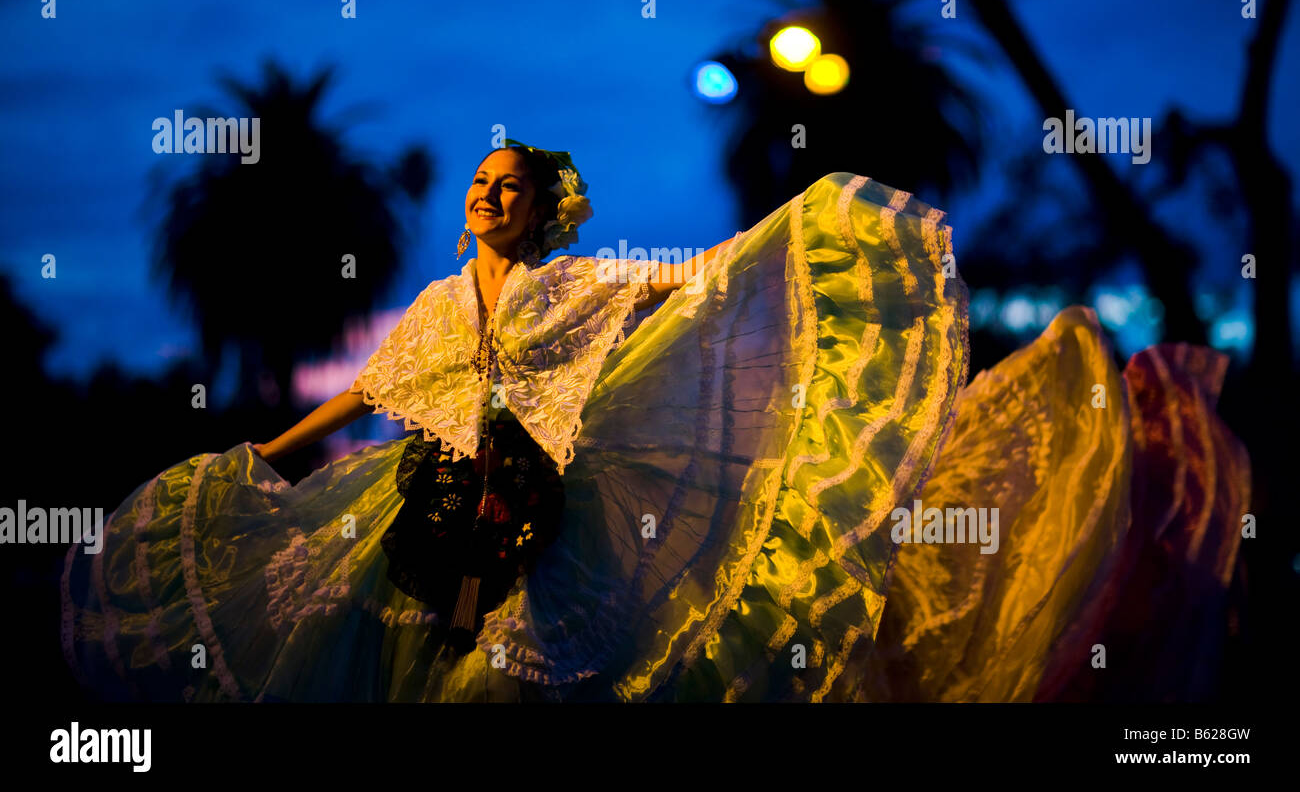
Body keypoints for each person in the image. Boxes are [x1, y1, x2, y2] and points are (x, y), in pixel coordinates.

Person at [59, 141, 1249, 703]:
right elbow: (365, 396)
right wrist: (254, 460)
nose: (489, 194)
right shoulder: (430, 301)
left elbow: (704, 276)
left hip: (544, 517)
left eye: (511, 185)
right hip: (422, 516)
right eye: (480, 182)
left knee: (524, 682)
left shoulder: (582, 285)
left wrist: (799, 227)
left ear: (546, 210)